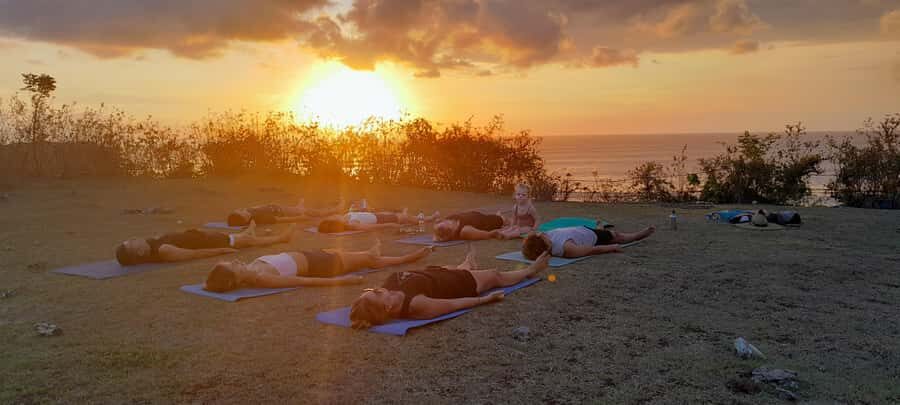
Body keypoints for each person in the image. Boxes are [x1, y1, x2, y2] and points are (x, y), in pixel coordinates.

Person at [349, 246, 550, 328]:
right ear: (387, 307)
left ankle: (466, 263)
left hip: (438, 273)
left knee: (452, 268)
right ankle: (530, 270)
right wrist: (485, 299)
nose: (377, 288)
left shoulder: (389, 288)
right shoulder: (417, 305)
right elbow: (454, 304)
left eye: (372, 290)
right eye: (376, 293)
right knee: (495, 275)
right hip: (462, 283)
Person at [203, 240, 434, 292]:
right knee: (371, 261)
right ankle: (409, 258)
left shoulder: (252, 267)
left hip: (312, 255)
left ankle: (371, 253)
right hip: (322, 266)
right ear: (235, 280)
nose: (236, 260)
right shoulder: (262, 279)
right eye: (233, 265)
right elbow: (305, 281)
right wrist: (345, 280)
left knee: (362, 256)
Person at [115, 221, 293, 265]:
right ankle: (280, 238)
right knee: (250, 241)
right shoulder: (163, 250)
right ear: (139, 253)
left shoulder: (152, 243)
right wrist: (221, 251)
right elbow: (193, 254)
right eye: (131, 243)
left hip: (206, 237)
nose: (133, 239)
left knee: (242, 238)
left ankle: (245, 233)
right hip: (212, 243)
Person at [521, 221, 655, 260]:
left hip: (580, 230)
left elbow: (534, 233)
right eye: (545, 238)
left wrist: (542, 236)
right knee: (619, 236)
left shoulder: (542, 236)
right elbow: (591, 250)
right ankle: (637, 235)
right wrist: (612, 247)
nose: (544, 235)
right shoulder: (566, 248)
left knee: (600, 229)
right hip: (593, 237)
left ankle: (599, 226)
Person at [227, 198, 344, 227]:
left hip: (278, 208)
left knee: (298, 209)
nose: (243, 210)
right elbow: (281, 220)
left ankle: (298, 208)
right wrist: (300, 218)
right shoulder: (259, 219)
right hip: (283, 212)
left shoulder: (250, 212)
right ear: (246, 220)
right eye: (242, 212)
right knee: (310, 212)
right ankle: (335, 210)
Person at [317, 209, 440, 233]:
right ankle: (428, 219)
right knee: (407, 218)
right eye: (332, 217)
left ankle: (418, 218)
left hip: (378, 215)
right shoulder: (353, 225)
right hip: (383, 219)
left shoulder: (346, 216)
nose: (333, 215)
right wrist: (390, 225)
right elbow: (373, 228)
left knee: (405, 218)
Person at [432, 211, 506, 241]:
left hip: (481, 216)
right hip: (488, 221)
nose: (447, 222)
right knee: (502, 219)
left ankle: (499, 215)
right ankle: (500, 216)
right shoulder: (465, 231)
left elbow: (437, 232)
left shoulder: (447, 219)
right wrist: (493, 234)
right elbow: (488, 234)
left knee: (500, 217)